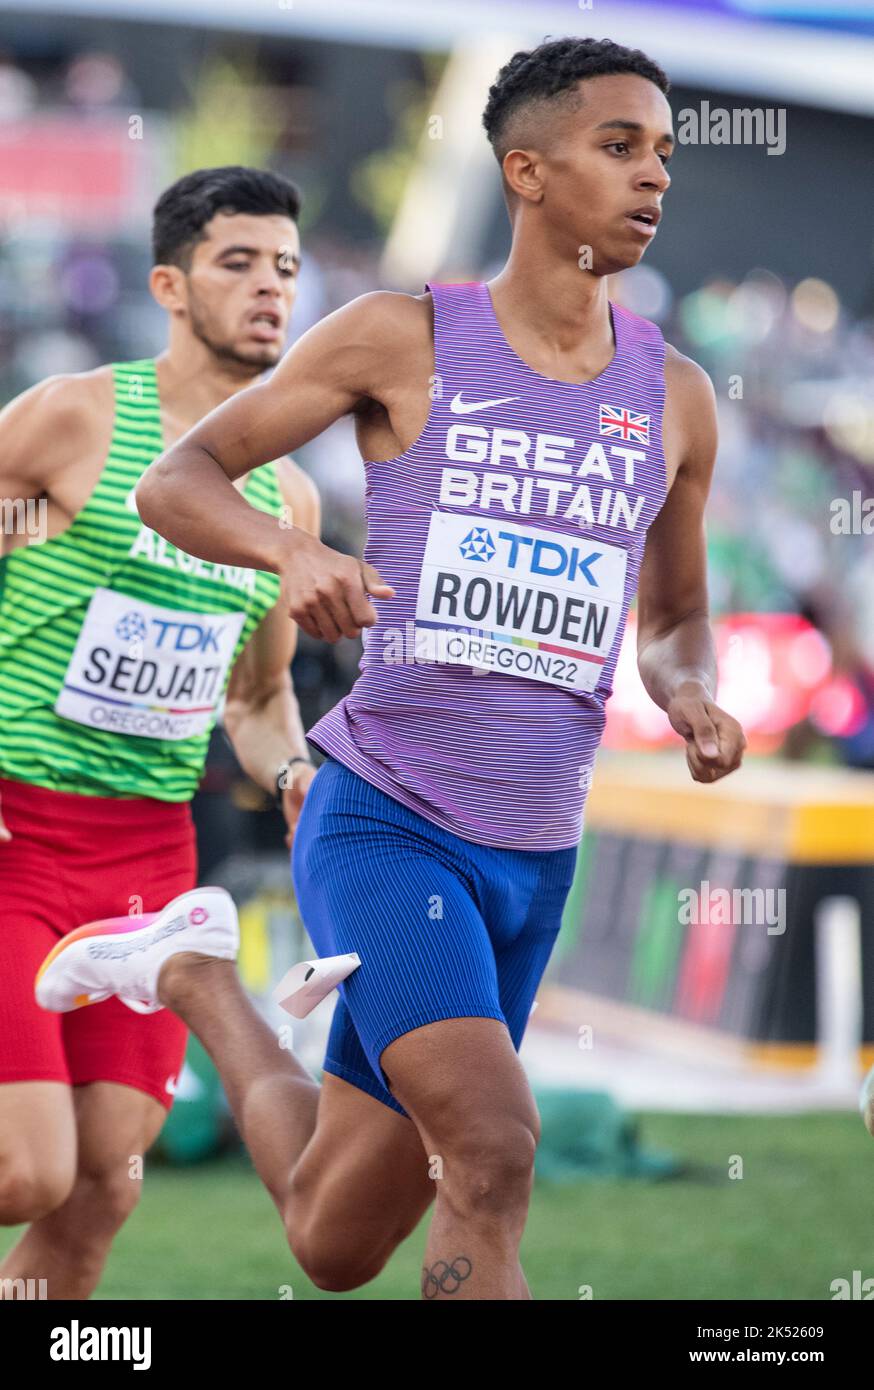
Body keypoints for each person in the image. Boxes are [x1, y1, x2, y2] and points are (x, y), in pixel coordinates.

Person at [41, 38, 747, 1299]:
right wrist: (282, 549)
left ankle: (194, 971)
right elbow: (177, 477)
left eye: (666, 156)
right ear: (524, 172)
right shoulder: (398, 337)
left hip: (535, 855)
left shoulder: (678, 396)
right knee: (492, 1143)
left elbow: (677, 616)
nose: (655, 180)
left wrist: (686, 686)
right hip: (389, 818)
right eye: (620, 147)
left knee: (334, 1240)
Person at [0, 165, 320, 1298]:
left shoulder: (284, 502)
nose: (270, 288)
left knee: (104, 1188)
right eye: (238, 263)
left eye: (285, 267)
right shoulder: (76, 418)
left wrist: (292, 773)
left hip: (146, 868)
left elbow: (254, 695)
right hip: (18, 833)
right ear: (170, 286)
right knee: (25, 1169)